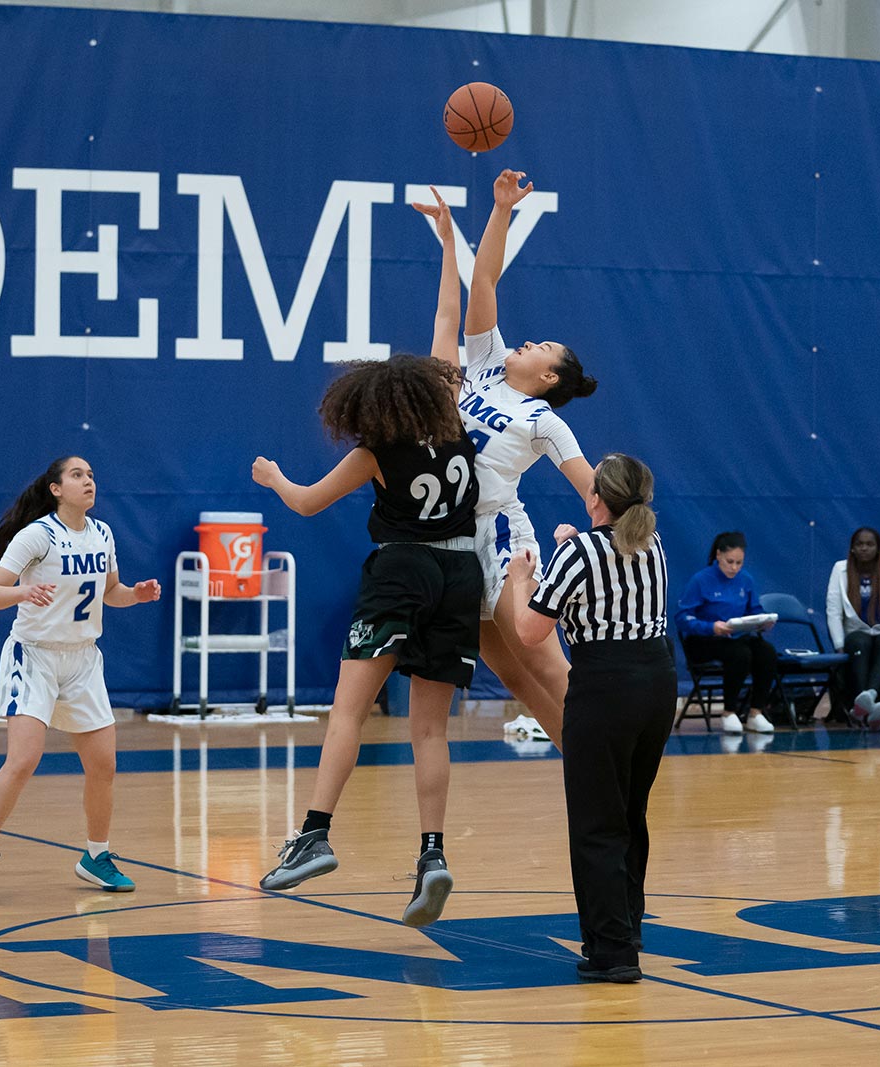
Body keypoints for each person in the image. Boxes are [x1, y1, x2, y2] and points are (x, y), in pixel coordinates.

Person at [254, 188, 483, 926]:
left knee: (348, 711)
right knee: (430, 727)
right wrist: (449, 239)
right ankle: (434, 852)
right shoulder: (453, 412)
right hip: (461, 572)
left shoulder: (374, 450)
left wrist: (273, 478)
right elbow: (448, 315)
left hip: (401, 569)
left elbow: (308, 503)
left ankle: (314, 834)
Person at [506, 453, 673, 984]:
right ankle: (627, 927)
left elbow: (531, 634)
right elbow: (608, 579)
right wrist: (567, 548)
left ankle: (612, 951)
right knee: (629, 813)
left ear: (595, 498)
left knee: (596, 823)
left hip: (604, 686)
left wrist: (521, 580)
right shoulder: (652, 541)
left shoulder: (578, 552)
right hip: (657, 680)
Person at [0, 456, 160, 895]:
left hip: (83, 659)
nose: (88, 481)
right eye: (77, 475)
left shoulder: (103, 533)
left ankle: (96, 855)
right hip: (34, 656)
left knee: (103, 765)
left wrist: (137, 595)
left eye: (91, 475)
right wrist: (23, 591)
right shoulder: (37, 535)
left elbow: (111, 593)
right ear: (55, 489)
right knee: (24, 759)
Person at [451, 169, 599, 748]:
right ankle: (579, 771)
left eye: (541, 347)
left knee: (548, 669)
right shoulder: (486, 363)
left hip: (504, 538)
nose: (528, 342)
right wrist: (501, 207)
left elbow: (593, 490)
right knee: (512, 674)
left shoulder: (544, 421)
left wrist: (607, 543)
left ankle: (609, 773)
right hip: (458, 539)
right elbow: (483, 278)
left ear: (550, 375)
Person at [675, 531, 776, 734]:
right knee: (740, 654)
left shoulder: (745, 580)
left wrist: (763, 620)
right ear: (719, 555)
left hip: (737, 636)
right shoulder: (701, 580)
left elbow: (754, 609)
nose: (734, 567)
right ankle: (729, 712)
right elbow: (682, 617)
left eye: (739, 563)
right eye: (730, 562)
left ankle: (756, 712)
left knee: (767, 652)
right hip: (705, 639)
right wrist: (711, 627)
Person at [825, 527, 880, 726]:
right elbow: (833, 611)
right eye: (860, 544)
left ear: (878, 548)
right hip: (857, 633)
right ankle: (872, 705)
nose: (864, 548)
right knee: (861, 643)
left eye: (869, 544)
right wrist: (840, 645)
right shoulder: (840, 570)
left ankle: (864, 702)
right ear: (852, 549)